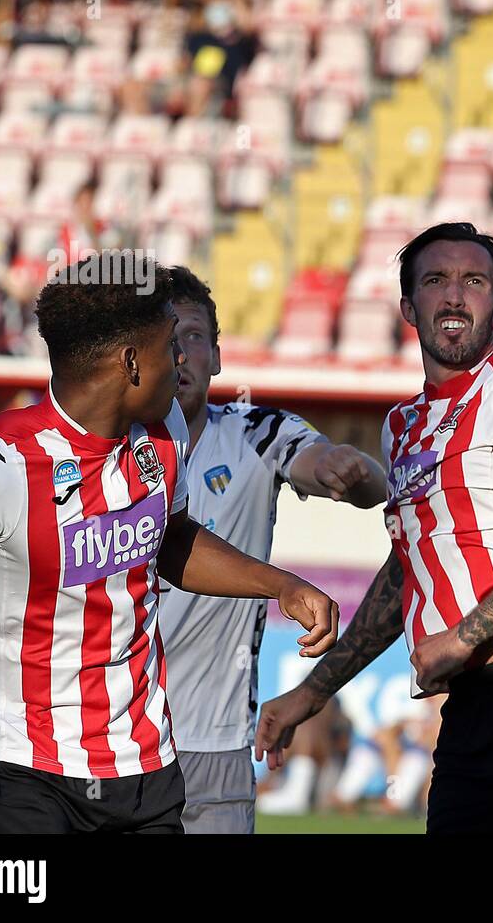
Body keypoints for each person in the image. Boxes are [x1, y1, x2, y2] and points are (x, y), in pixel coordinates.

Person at [0, 252, 337, 834]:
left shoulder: (164, 433)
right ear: (131, 361)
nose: (180, 360)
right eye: (169, 344)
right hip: (24, 772)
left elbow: (171, 541)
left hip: (147, 768)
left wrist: (278, 584)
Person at [256, 222, 493, 834]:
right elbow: (406, 574)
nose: (452, 295)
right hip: (471, 701)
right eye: (435, 280)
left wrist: (463, 637)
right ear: (406, 306)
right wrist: (313, 692)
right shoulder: (401, 425)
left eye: (472, 282)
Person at [156, 267, 386, 833]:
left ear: (217, 354)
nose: (180, 355)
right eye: (165, 340)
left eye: (191, 336)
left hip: (216, 748)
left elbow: (364, 485)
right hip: (114, 743)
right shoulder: (108, 450)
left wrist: (344, 469)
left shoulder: (255, 430)